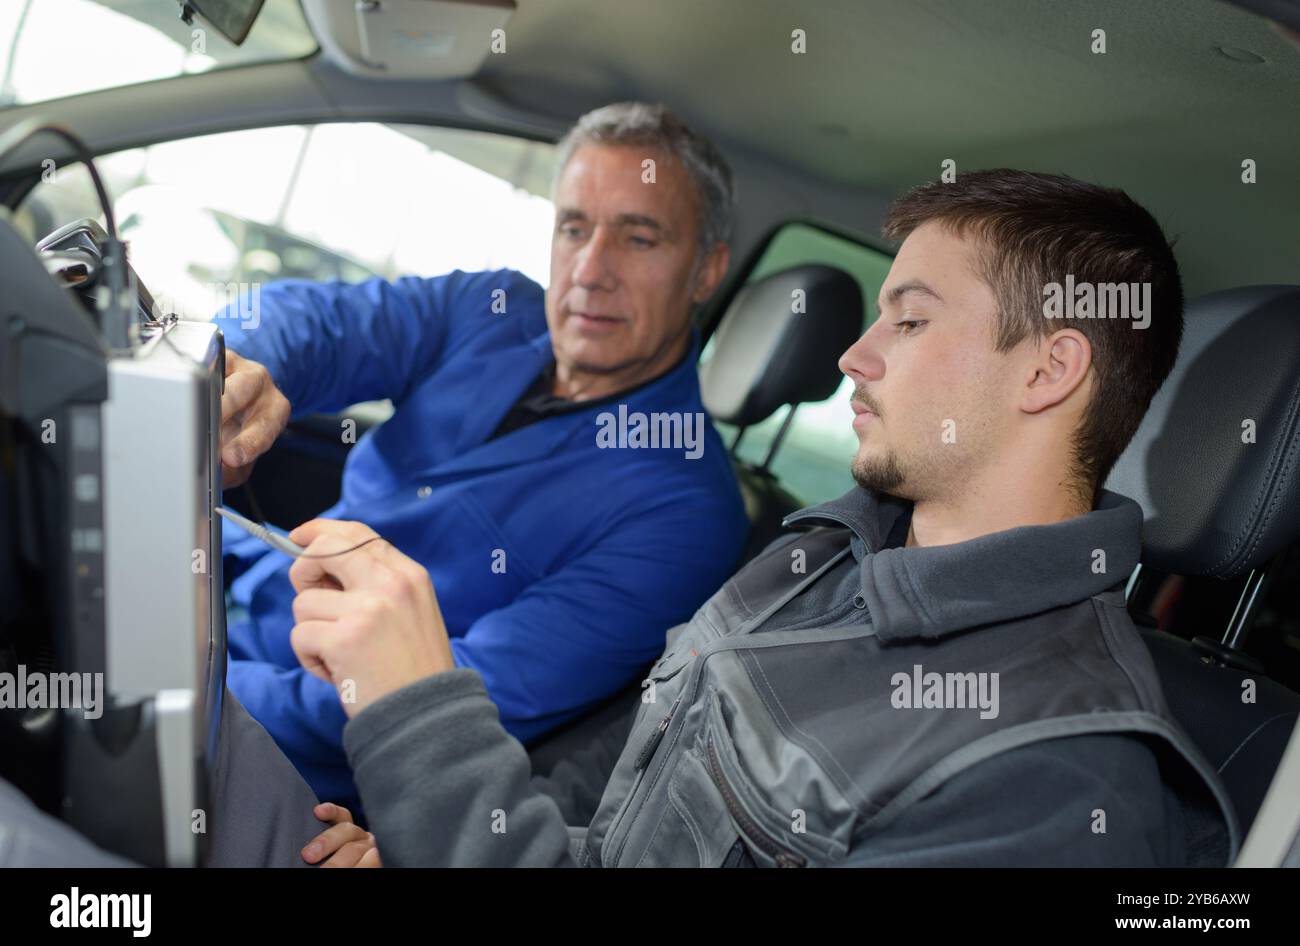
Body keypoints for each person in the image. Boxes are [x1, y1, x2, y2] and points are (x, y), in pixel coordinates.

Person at [290, 169, 1240, 868]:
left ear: (1048, 370)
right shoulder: (824, 560)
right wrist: (426, 841)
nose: (853, 357)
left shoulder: (1054, 780)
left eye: (908, 321)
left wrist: (421, 713)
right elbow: (640, 841)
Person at [214, 102, 749, 806]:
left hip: (287, 749)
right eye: (574, 228)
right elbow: (323, 320)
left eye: (639, 237)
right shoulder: (492, 308)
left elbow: (442, 698)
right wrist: (238, 370)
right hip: (240, 586)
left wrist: (199, 672)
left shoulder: (688, 511)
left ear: (706, 270)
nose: (590, 270)